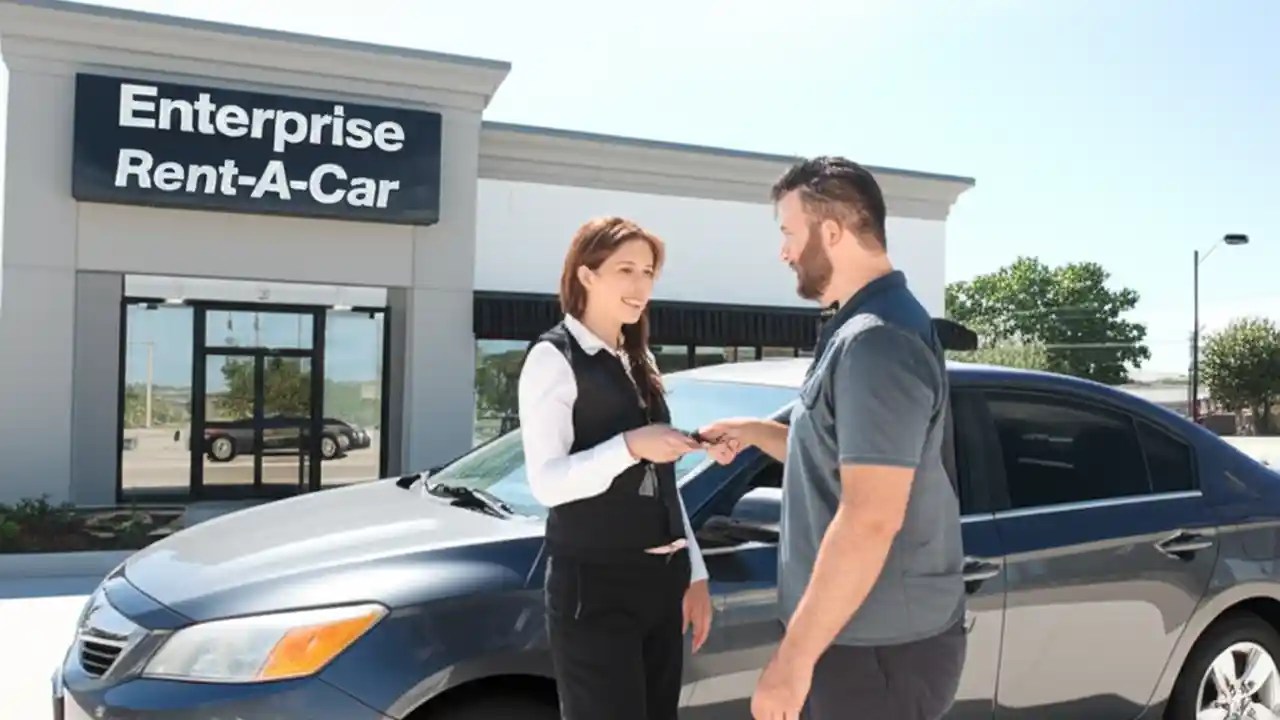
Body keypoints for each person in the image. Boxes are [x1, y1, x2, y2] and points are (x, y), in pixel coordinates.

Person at [700, 157, 967, 720]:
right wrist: (756, 434)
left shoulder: (878, 341)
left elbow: (870, 516)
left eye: (788, 233)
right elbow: (838, 458)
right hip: (860, 642)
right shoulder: (859, 326)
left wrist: (791, 662)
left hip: (875, 651)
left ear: (832, 232)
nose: (784, 252)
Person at [517, 216, 720, 720]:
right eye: (625, 269)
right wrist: (629, 446)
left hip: (662, 583)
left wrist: (694, 573)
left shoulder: (638, 358)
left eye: (648, 272)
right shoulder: (553, 358)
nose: (640, 285)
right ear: (586, 275)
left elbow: (663, 484)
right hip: (595, 588)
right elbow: (547, 483)